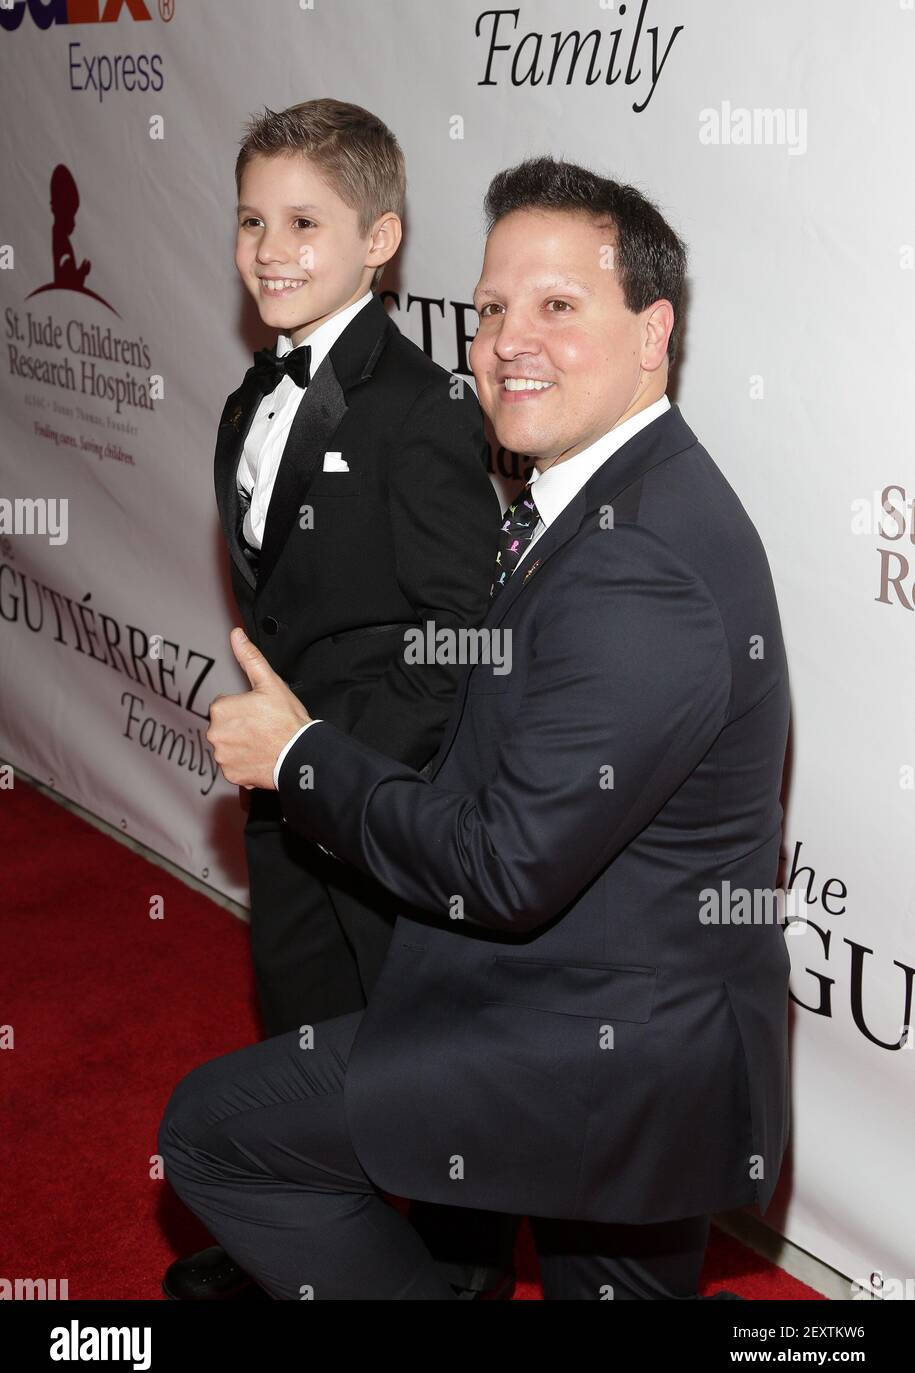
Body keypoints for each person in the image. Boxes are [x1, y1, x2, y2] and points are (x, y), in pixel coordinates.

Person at [160, 156, 792, 1300]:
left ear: (653, 334)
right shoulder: (598, 496)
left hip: (601, 1053)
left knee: (215, 1131)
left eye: (558, 305)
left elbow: (503, 864)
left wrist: (301, 758)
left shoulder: (639, 563)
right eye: (493, 308)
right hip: (605, 1018)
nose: (507, 340)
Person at [162, 98, 508, 1302]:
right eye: (253, 218)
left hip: (389, 804)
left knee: (427, 1061)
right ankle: (304, 1243)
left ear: (380, 238)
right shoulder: (250, 396)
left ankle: (457, 1283)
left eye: (305, 220)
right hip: (288, 805)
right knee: (303, 1034)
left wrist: (324, 761)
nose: (269, 247)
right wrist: (288, 771)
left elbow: (463, 637)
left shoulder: (425, 411)